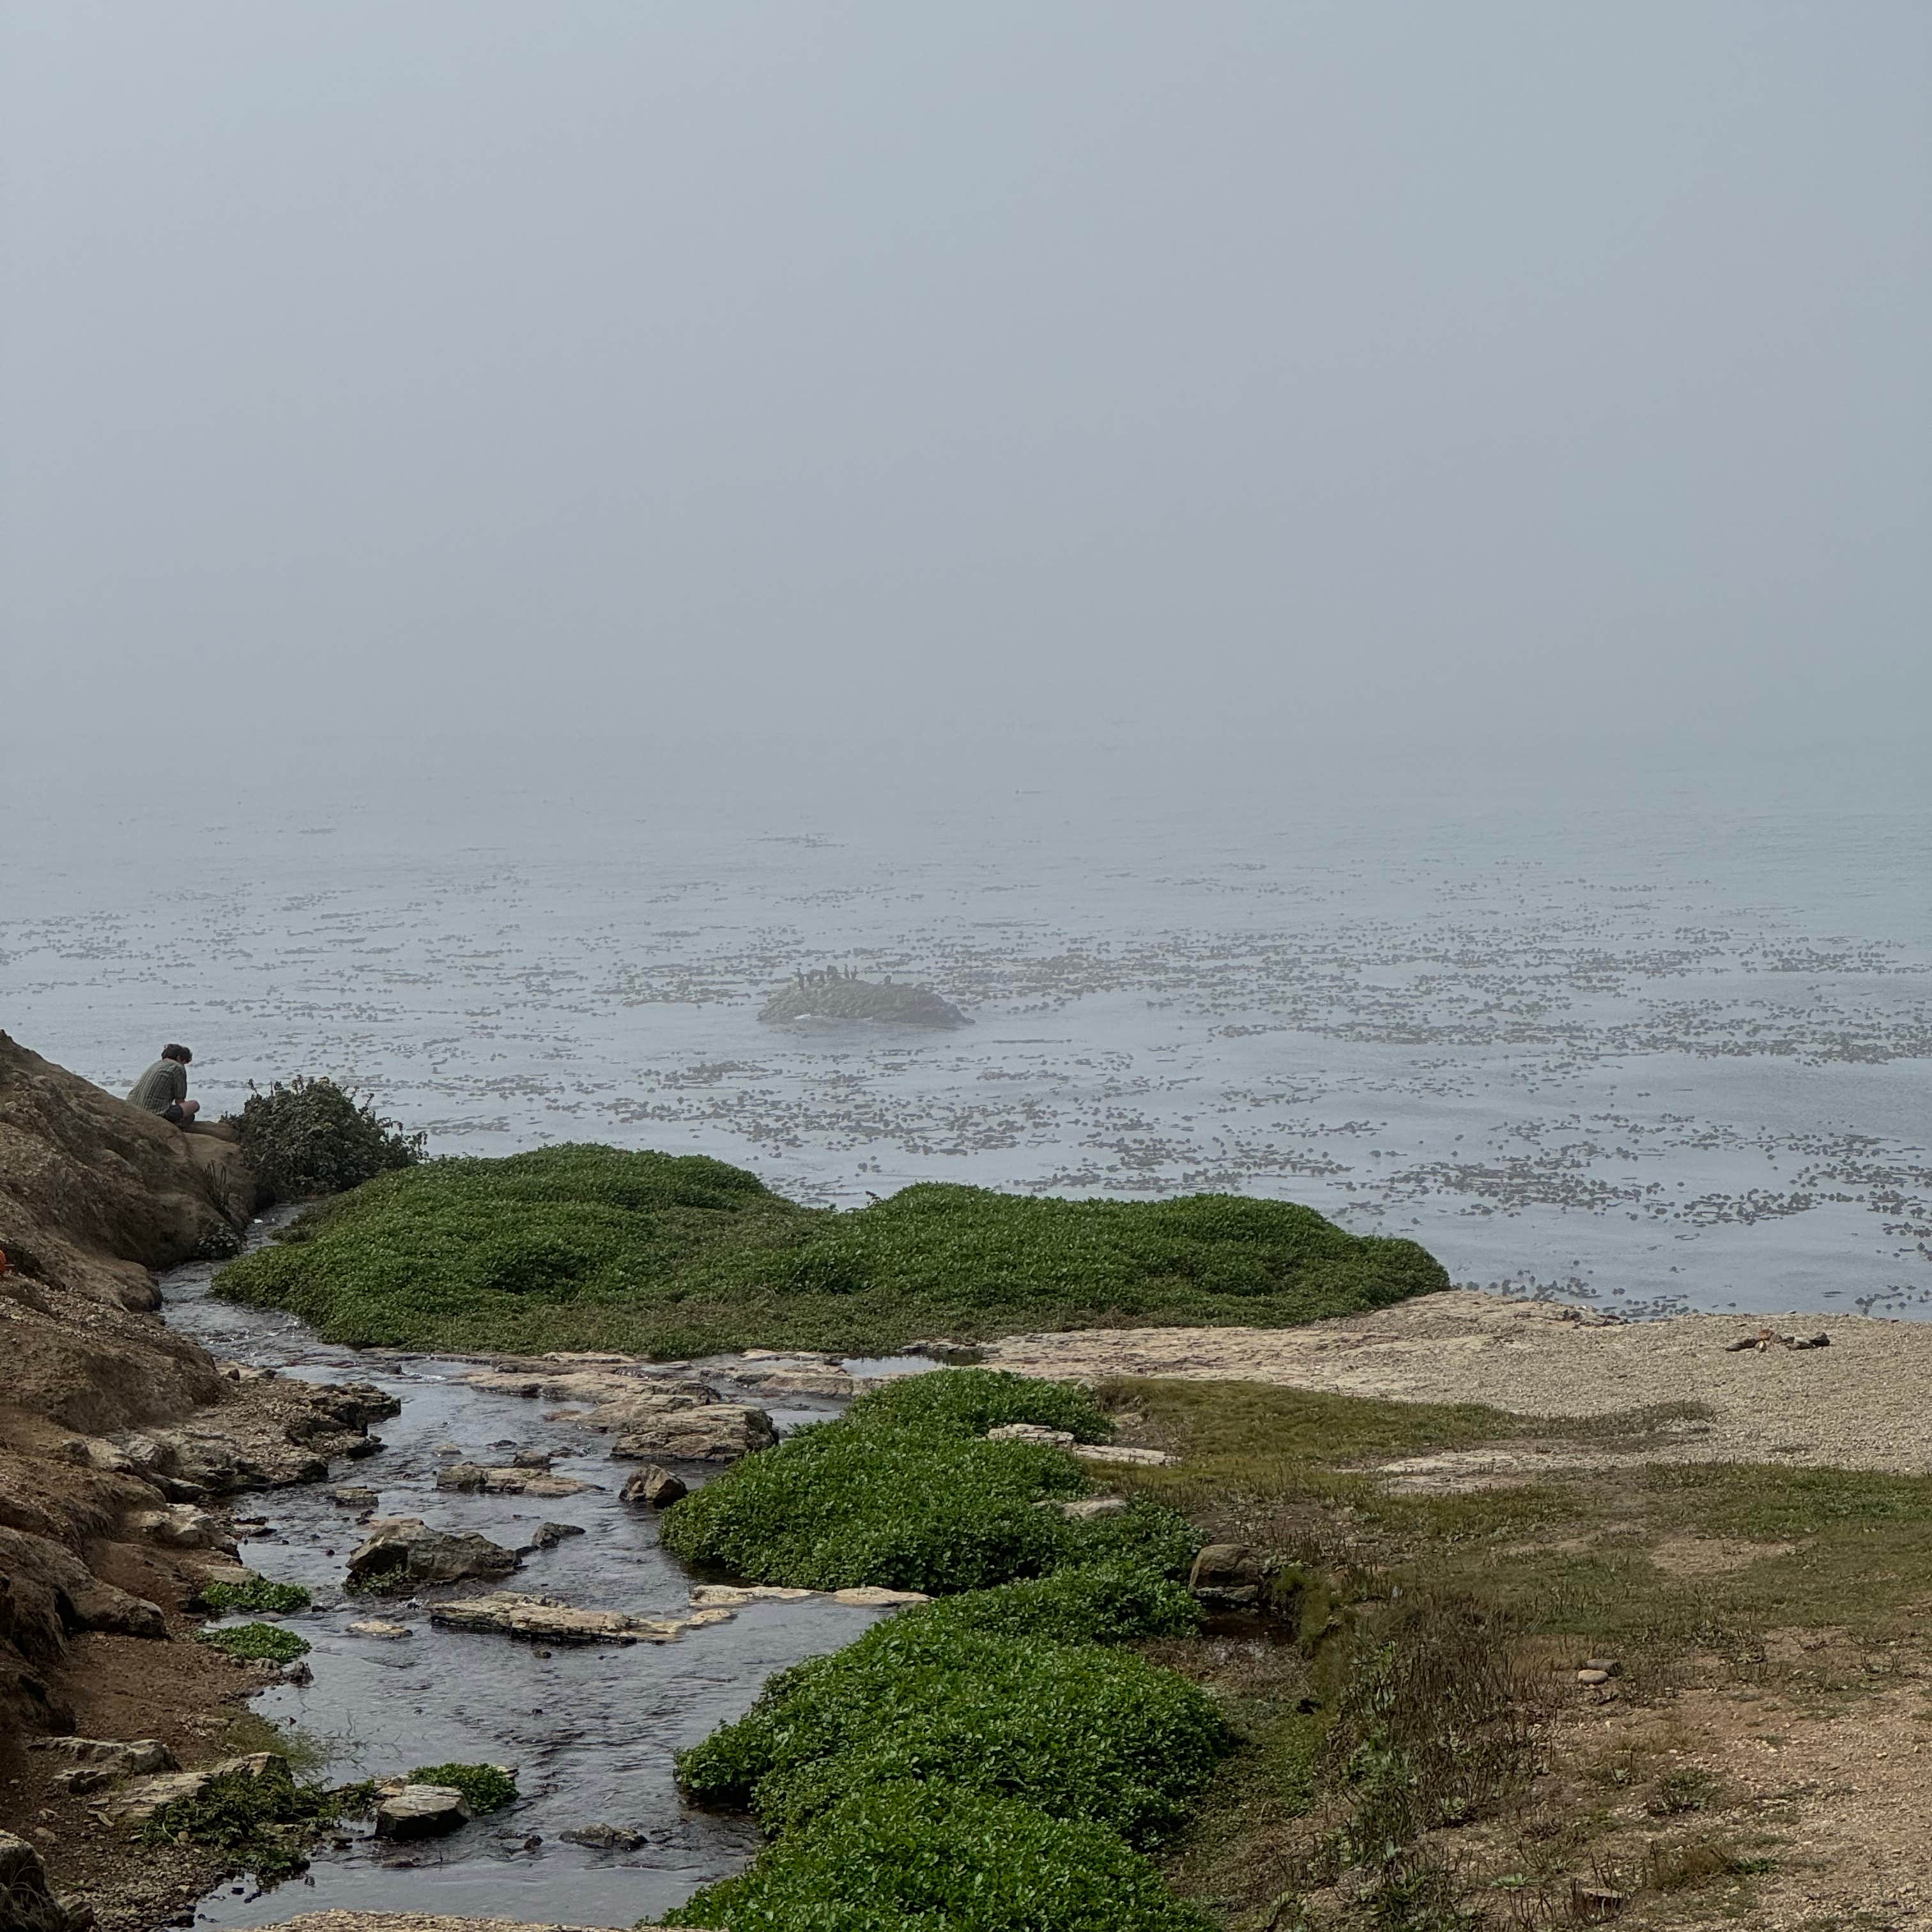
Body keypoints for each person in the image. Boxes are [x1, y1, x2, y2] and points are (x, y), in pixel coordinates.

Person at [127, 1043, 200, 1126]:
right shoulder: (177, 1067)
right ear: (179, 1058)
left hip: (134, 1108)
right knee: (194, 1105)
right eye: (184, 1062)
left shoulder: (156, 1064)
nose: (183, 1065)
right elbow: (180, 1101)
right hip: (155, 1113)